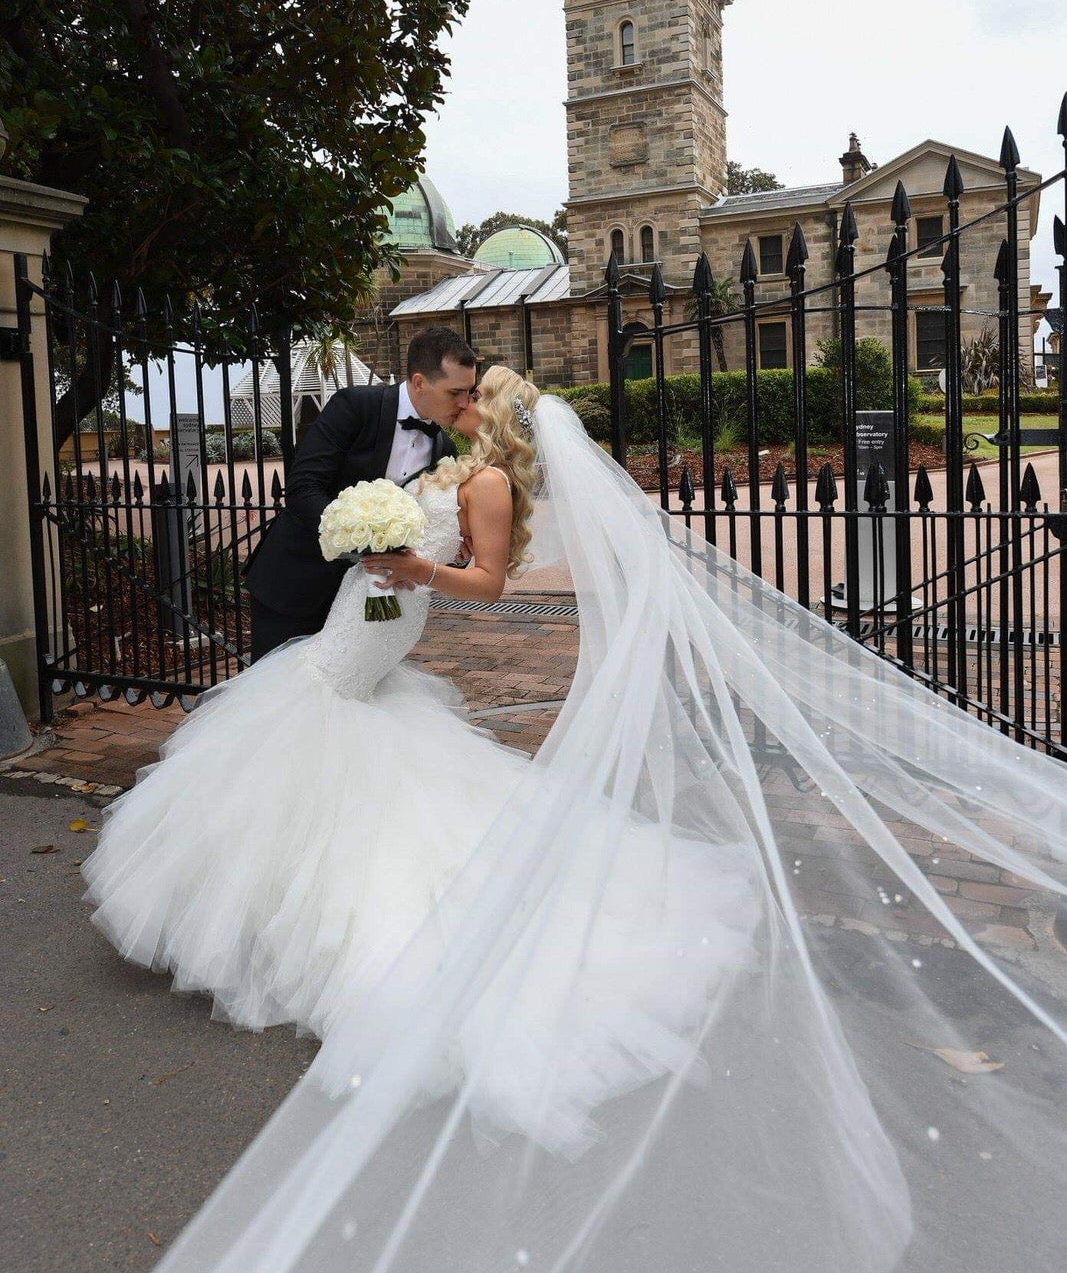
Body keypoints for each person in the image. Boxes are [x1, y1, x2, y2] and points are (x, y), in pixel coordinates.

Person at [84, 369, 1067, 1273]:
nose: (459, 401)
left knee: (322, 727)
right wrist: (372, 541)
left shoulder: (489, 489)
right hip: (369, 612)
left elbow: (488, 583)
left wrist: (411, 568)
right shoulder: (454, 465)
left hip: (388, 613)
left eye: (474, 397)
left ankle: (321, 924)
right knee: (335, 736)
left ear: (494, 420)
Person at [244, 324, 476, 660]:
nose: (464, 403)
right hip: (296, 584)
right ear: (419, 382)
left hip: (363, 604)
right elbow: (303, 488)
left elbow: (435, 523)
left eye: (470, 392)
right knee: (280, 699)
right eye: (455, 392)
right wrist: (364, 539)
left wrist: (453, 550)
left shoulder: (444, 449)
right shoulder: (354, 407)